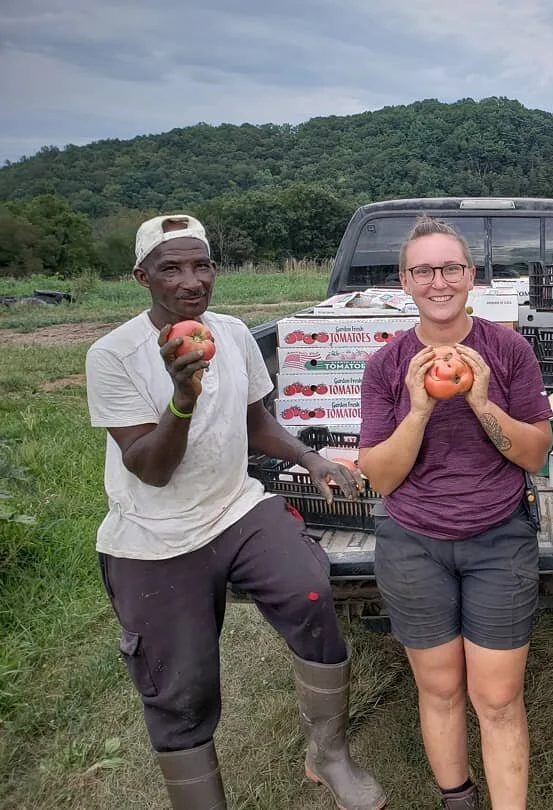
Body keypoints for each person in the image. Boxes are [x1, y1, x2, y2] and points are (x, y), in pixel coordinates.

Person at [85, 214, 387, 810]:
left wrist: (311, 457)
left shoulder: (232, 332)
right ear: (142, 276)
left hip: (235, 507)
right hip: (155, 533)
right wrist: (182, 396)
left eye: (201, 265)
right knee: (182, 686)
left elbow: (255, 423)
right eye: (172, 268)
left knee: (309, 594)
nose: (190, 280)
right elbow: (151, 467)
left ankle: (328, 755)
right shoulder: (113, 355)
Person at [357, 216, 553, 810]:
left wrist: (481, 401)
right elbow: (383, 476)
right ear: (405, 281)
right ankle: (458, 799)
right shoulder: (388, 366)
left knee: (497, 698)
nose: (437, 281)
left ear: (471, 276)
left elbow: (536, 454)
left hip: (498, 538)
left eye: (450, 268)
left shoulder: (508, 349)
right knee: (439, 689)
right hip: (413, 541)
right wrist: (417, 410)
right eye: (424, 270)